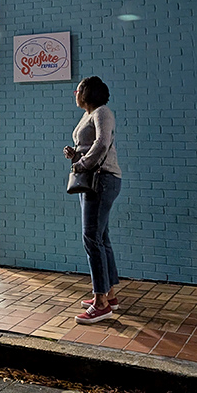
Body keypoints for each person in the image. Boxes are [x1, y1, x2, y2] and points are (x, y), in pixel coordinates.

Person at [63, 76, 122, 324]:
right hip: (93, 179)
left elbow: (102, 143)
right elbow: (89, 146)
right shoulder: (89, 114)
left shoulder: (102, 112)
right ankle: (108, 294)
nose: (75, 93)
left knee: (91, 239)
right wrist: (76, 153)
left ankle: (100, 304)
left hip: (102, 179)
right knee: (100, 237)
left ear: (86, 93)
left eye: (78, 90)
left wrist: (82, 163)